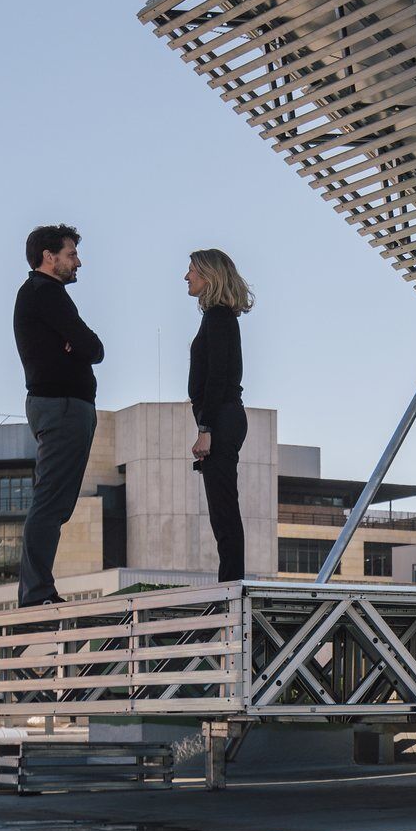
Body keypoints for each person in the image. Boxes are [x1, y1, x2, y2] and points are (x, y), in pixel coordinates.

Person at [14, 224, 104, 606]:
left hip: (62, 406)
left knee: (55, 503)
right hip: (62, 407)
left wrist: (79, 345)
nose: (77, 261)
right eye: (70, 254)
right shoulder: (46, 293)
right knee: (51, 502)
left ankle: (38, 591)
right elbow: (93, 346)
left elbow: (88, 347)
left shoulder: (42, 294)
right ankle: (36, 594)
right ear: (49, 257)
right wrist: (78, 343)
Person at [184, 247, 253, 582]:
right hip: (222, 416)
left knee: (224, 510)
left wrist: (205, 427)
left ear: (209, 276)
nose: (186, 276)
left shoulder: (219, 317)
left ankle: (231, 586)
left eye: (192, 271)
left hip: (222, 418)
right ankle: (229, 582)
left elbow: (219, 377)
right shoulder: (216, 318)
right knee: (221, 510)